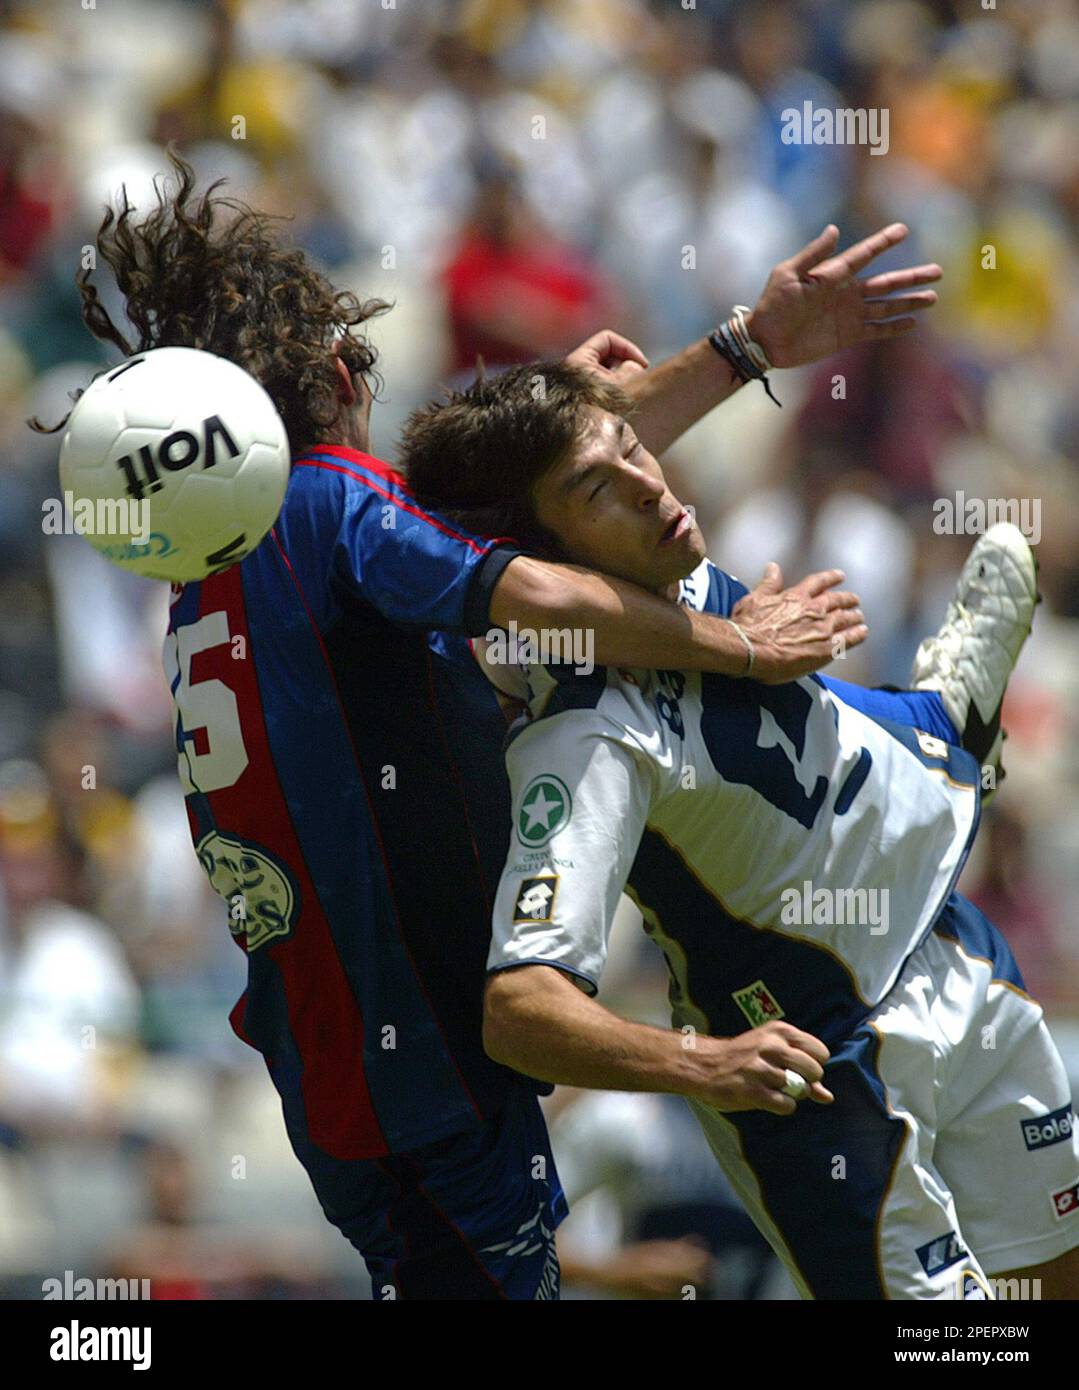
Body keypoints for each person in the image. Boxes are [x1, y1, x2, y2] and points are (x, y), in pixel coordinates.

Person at [36, 152, 940, 1299]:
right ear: (332, 367)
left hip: (339, 1073)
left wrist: (738, 347)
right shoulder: (327, 504)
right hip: (427, 1064)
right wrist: (746, 643)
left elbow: (552, 501)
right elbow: (545, 583)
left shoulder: (220, 574)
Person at [400, 362, 1077, 1300]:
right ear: (545, 559)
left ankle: (938, 736)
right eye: (599, 489)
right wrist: (701, 1063)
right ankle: (946, 734)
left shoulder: (681, 581)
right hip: (822, 1064)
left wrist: (745, 340)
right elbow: (520, 1012)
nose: (650, 484)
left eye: (633, 448)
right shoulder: (585, 740)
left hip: (945, 938)